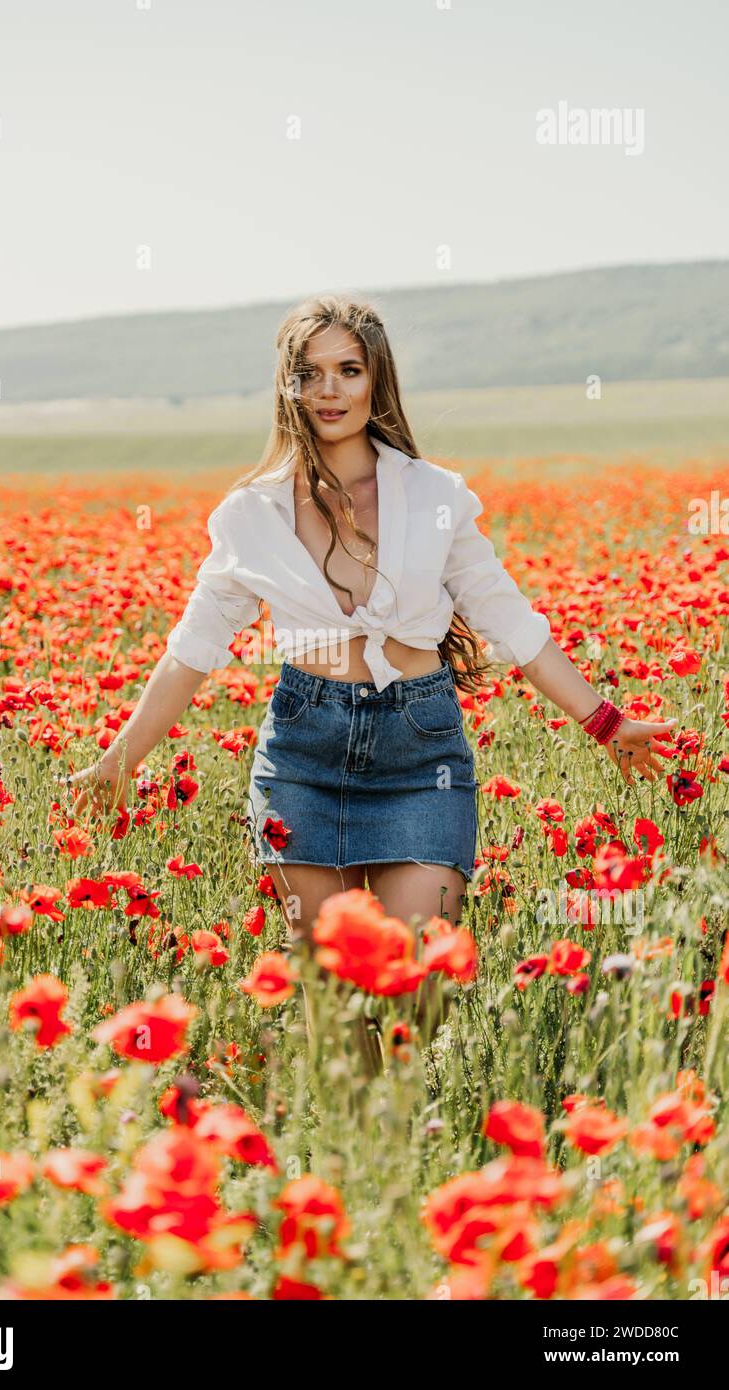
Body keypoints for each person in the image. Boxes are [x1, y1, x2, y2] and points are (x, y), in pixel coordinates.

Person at [71, 295, 676, 1063]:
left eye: (347, 370)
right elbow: (192, 648)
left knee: (414, 988)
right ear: (286, 388)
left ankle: (395, 1131)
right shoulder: (250, 513)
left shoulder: (434, 497)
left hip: (418, 756)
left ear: (375, 381)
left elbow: (511, 623)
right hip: (303, 755)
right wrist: (120, 761)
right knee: (330, 995)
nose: (329, 390)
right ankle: (350, 1152)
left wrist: (605, 722)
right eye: (309, 373)